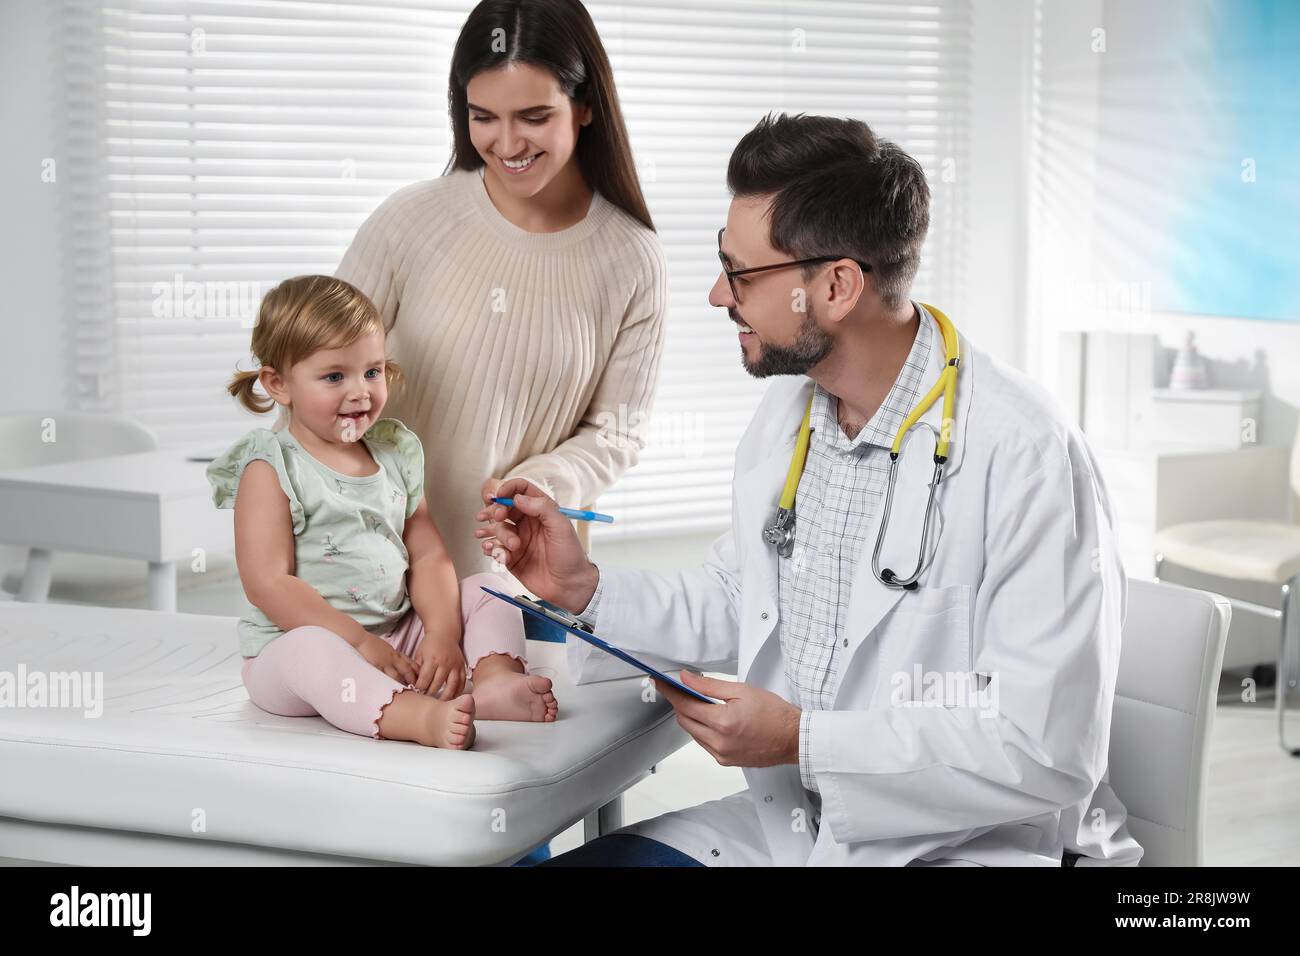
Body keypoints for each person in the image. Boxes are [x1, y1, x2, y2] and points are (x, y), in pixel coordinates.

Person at [477, 113, 1144, 866]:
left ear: (835, 285)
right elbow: (746, 601)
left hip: (972, 846)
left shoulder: (1024, 452)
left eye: (741, 273)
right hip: (794, 829)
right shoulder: (790, 417)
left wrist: (802, 739)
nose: (715, 296)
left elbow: (1046, 749)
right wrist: (582, 587)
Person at [335, 0, 668, 579]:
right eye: (483, 115)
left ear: (585, 105)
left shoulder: (632, 257)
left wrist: (540, 482)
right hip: (372, 575)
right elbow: (315, 373)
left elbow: (616, 433)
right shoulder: (410, 220)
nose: (508, 143)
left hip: (515, 583)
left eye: (534, 117)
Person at [208, 275, 557, 750]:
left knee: (487, 589)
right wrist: (358, 643)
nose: (361, 393)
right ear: (278, 383)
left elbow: (430, 556)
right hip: (300, 649)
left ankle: (495, 681)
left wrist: (440, 633)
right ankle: (414, 717)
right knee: (310, 652)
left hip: (399, 635)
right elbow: (269, 584)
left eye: (372, 372)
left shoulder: (394, 453)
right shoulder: (270, 468)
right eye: (335, 377)